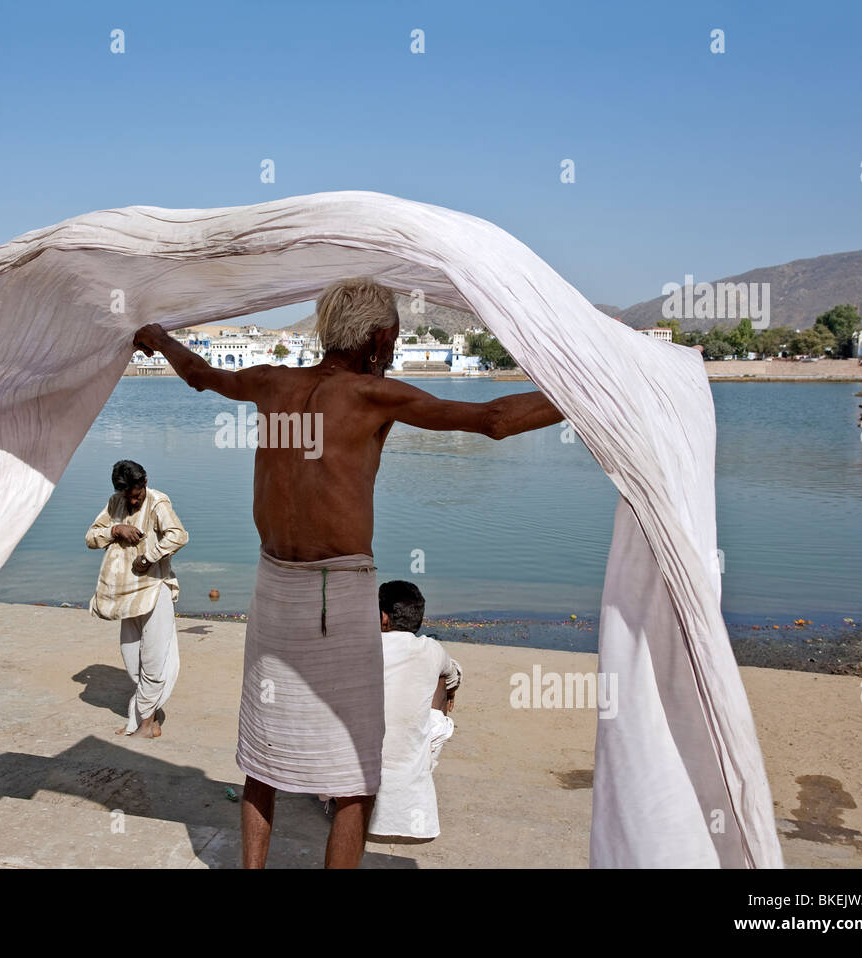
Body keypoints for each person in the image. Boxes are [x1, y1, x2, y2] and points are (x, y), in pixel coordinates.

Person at [133, 276, 563, 868]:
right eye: (392, 340)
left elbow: (202, 374)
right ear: (379, 338)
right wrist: (590, 391)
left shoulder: (270, 382)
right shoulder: (369, 395)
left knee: (264, 755)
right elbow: (491, 419)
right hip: (339, 591)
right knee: (355, 771)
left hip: (272, 583)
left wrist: (158, 338)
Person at [85, 460, 189, 739]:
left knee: (154, 657)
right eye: (127, 496)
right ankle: (147, 719)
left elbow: (178, 536)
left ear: (144, 483)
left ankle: (144, 724)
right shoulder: (114, 504)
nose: (132, 500)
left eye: (136, 494)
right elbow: (91, 538)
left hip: (155, 589)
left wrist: (149, 557)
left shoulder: (157, 502)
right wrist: (116, 530)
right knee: (132, 656)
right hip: (126, 595)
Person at [367, 580, 462, 843]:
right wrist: (451, 691)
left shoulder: (364, 646)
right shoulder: (431, 649)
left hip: (352, 777)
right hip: (407, 778)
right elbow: (453, 674)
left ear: (383, 618)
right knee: (442, 678)